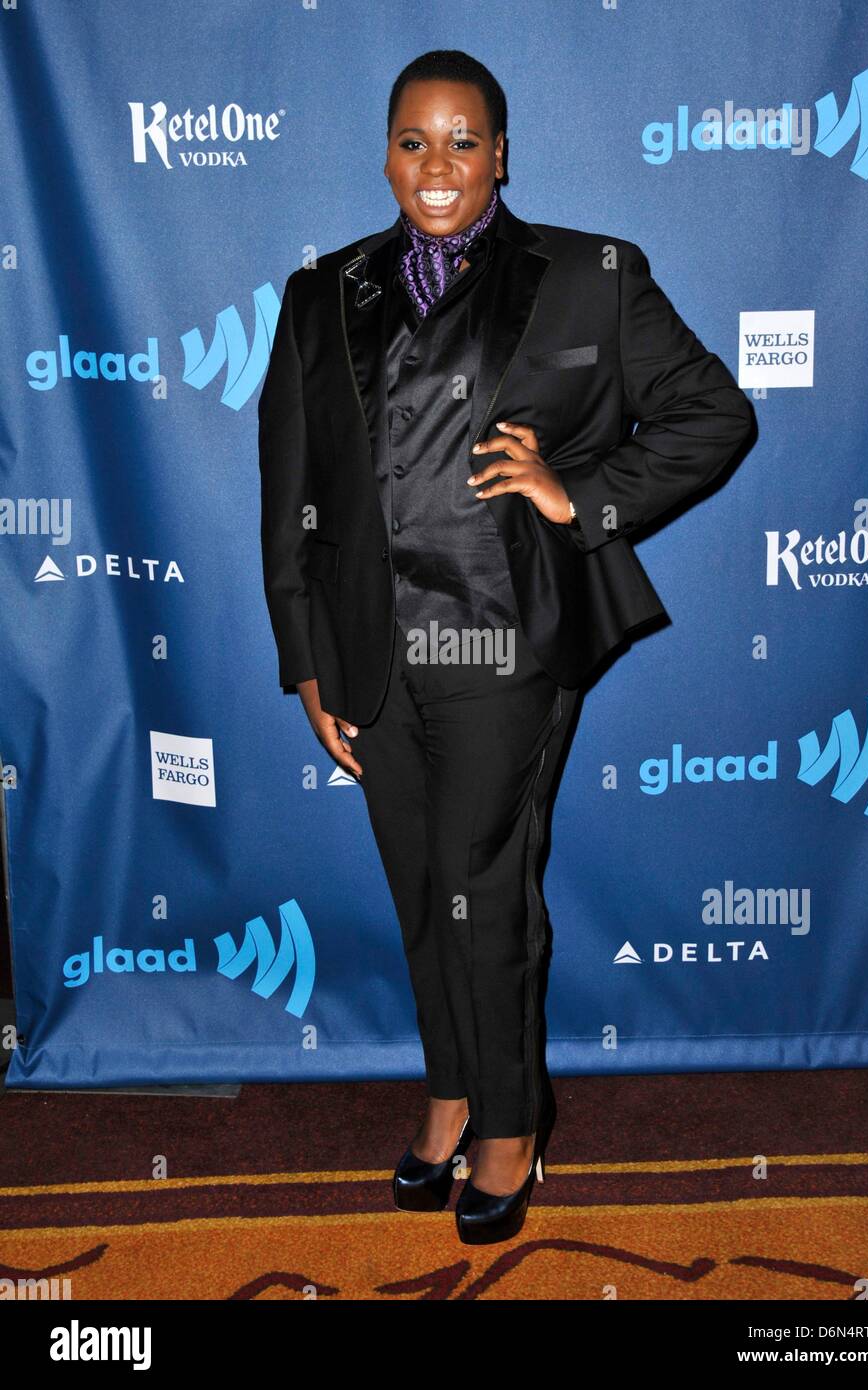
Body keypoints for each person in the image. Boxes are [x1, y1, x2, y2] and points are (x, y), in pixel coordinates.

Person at [258, 49, 753, 1245]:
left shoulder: (588, 275)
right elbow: (291, 489)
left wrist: (578, 493)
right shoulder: (320, 292)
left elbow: (715, 415)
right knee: (423, 895)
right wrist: (308, 657)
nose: (438, 167)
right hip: (377, 652)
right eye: (415, 142)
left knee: (487, 889)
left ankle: (512, 1125)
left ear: (501, 155)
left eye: (463, 142)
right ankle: (447, 1088)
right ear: (385, 153)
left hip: (505, 643)